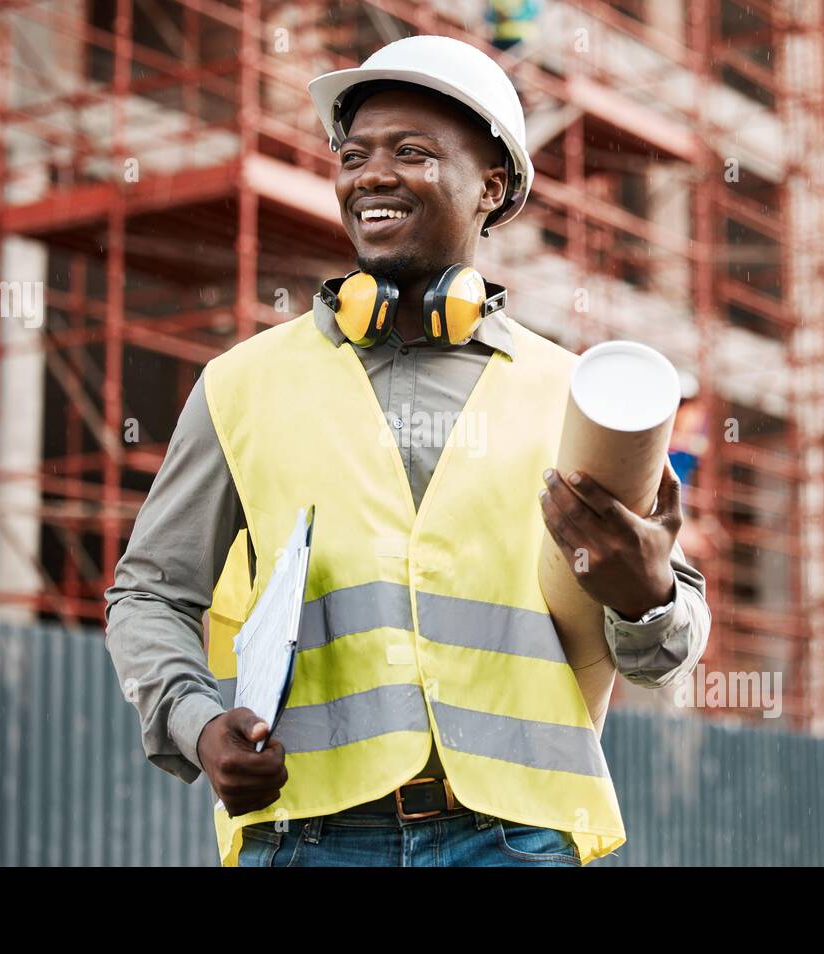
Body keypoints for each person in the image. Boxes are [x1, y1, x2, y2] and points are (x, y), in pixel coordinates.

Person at [104, 35, 710, 868]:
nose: (371, 175)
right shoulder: (241, 385)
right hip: (309, 833)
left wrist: (646, 599)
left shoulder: (575, 394)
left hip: (517, 837)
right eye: (353, 155)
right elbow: (147, 595)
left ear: (492, 186)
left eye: (412, 153)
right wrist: (196, 721)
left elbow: (667, 652)